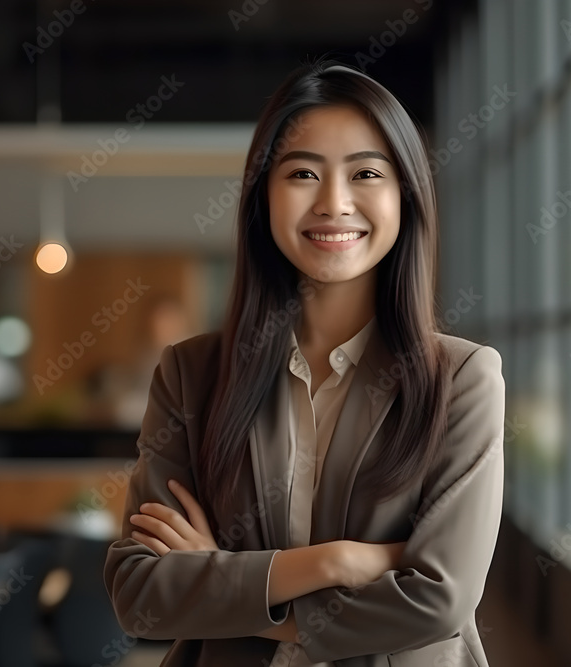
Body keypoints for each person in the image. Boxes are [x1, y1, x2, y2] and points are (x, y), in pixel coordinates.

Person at [103, 56, 506, 667]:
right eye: (302, 175)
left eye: (367, 173)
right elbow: (141, 596)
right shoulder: (191, 374)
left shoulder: (462, 378)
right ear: (263, 196)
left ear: (407, 196)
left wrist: (228, 582)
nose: (335, 203)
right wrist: (334, 561)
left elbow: (439, 600)